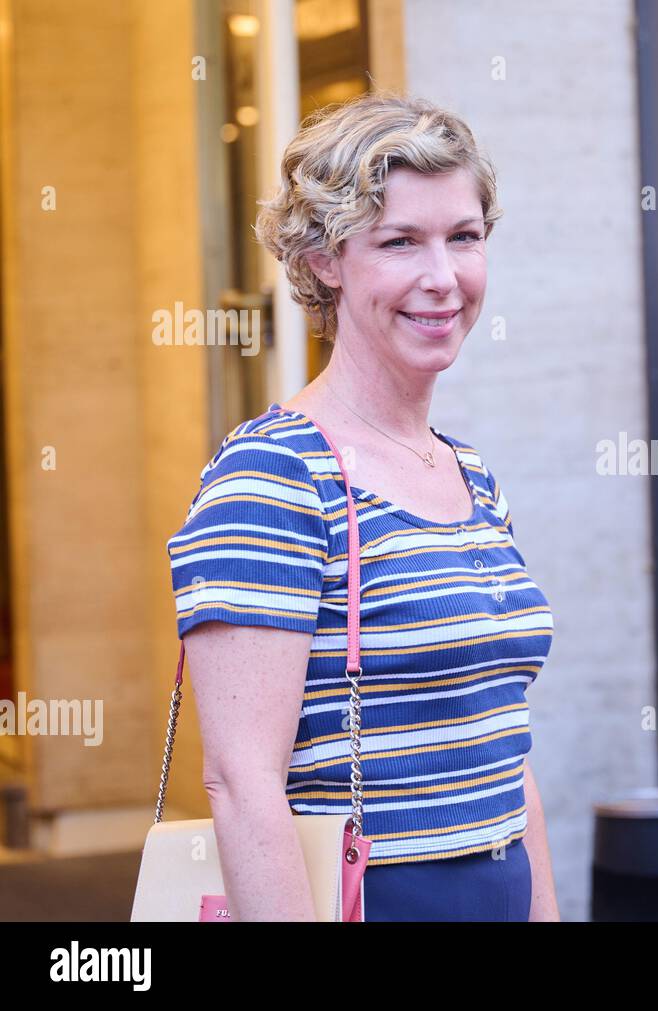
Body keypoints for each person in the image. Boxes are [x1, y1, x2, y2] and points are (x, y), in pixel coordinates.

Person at [166, 93, 558, 921]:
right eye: (399, 242)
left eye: (464, 237)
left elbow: (506, 744)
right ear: (323, 261)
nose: (442, 278)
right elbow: (242, 785)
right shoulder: (274, 475)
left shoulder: (470, 472)